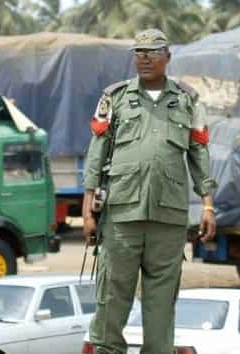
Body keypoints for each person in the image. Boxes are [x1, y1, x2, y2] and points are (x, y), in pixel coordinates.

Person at [83, 29, 217, 354]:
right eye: (139, 52)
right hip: (121, 215)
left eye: (153, 52)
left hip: (168, 219)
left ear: (167, 57)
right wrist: (87, 209)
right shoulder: (114, 98)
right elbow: (97, 152)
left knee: (161, 304)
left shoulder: (188, 101)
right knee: (112, 298)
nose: (144, 58)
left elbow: (199, 153)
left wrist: (208, 205)